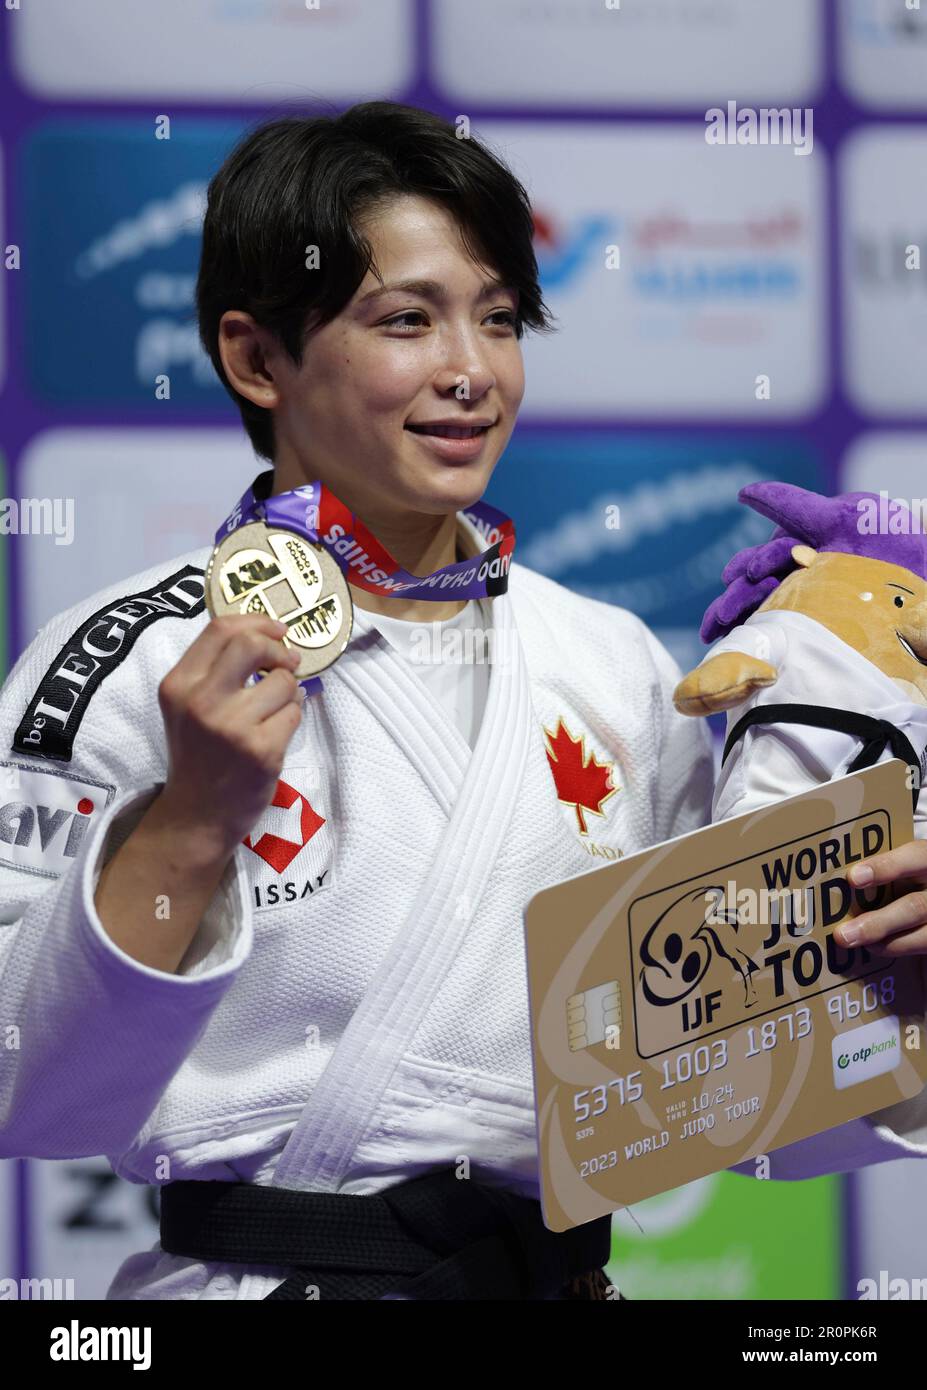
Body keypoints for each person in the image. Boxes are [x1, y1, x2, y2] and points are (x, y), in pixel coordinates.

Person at [0, 102, 924, 1302]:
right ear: (253, 356)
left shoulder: (607, 664)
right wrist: (186, 825)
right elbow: (27, 1090)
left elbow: (738, 1105)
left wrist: (886, 986)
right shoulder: (130, 658)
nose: (472, 372)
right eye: (406, 320)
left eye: (499, 319)